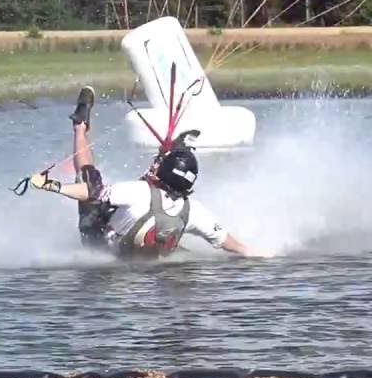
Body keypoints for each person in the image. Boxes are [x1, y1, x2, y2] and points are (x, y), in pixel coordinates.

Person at [27, 86, 261, 259]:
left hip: (97, 240)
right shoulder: (195, 212)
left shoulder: (137, 192)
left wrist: (52, 185)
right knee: (166, 238)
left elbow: (91, 191)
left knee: (90, 177)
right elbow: (225, 241)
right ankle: (83, 127)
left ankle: (79, 128)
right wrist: (256, 254)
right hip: (120, 237)